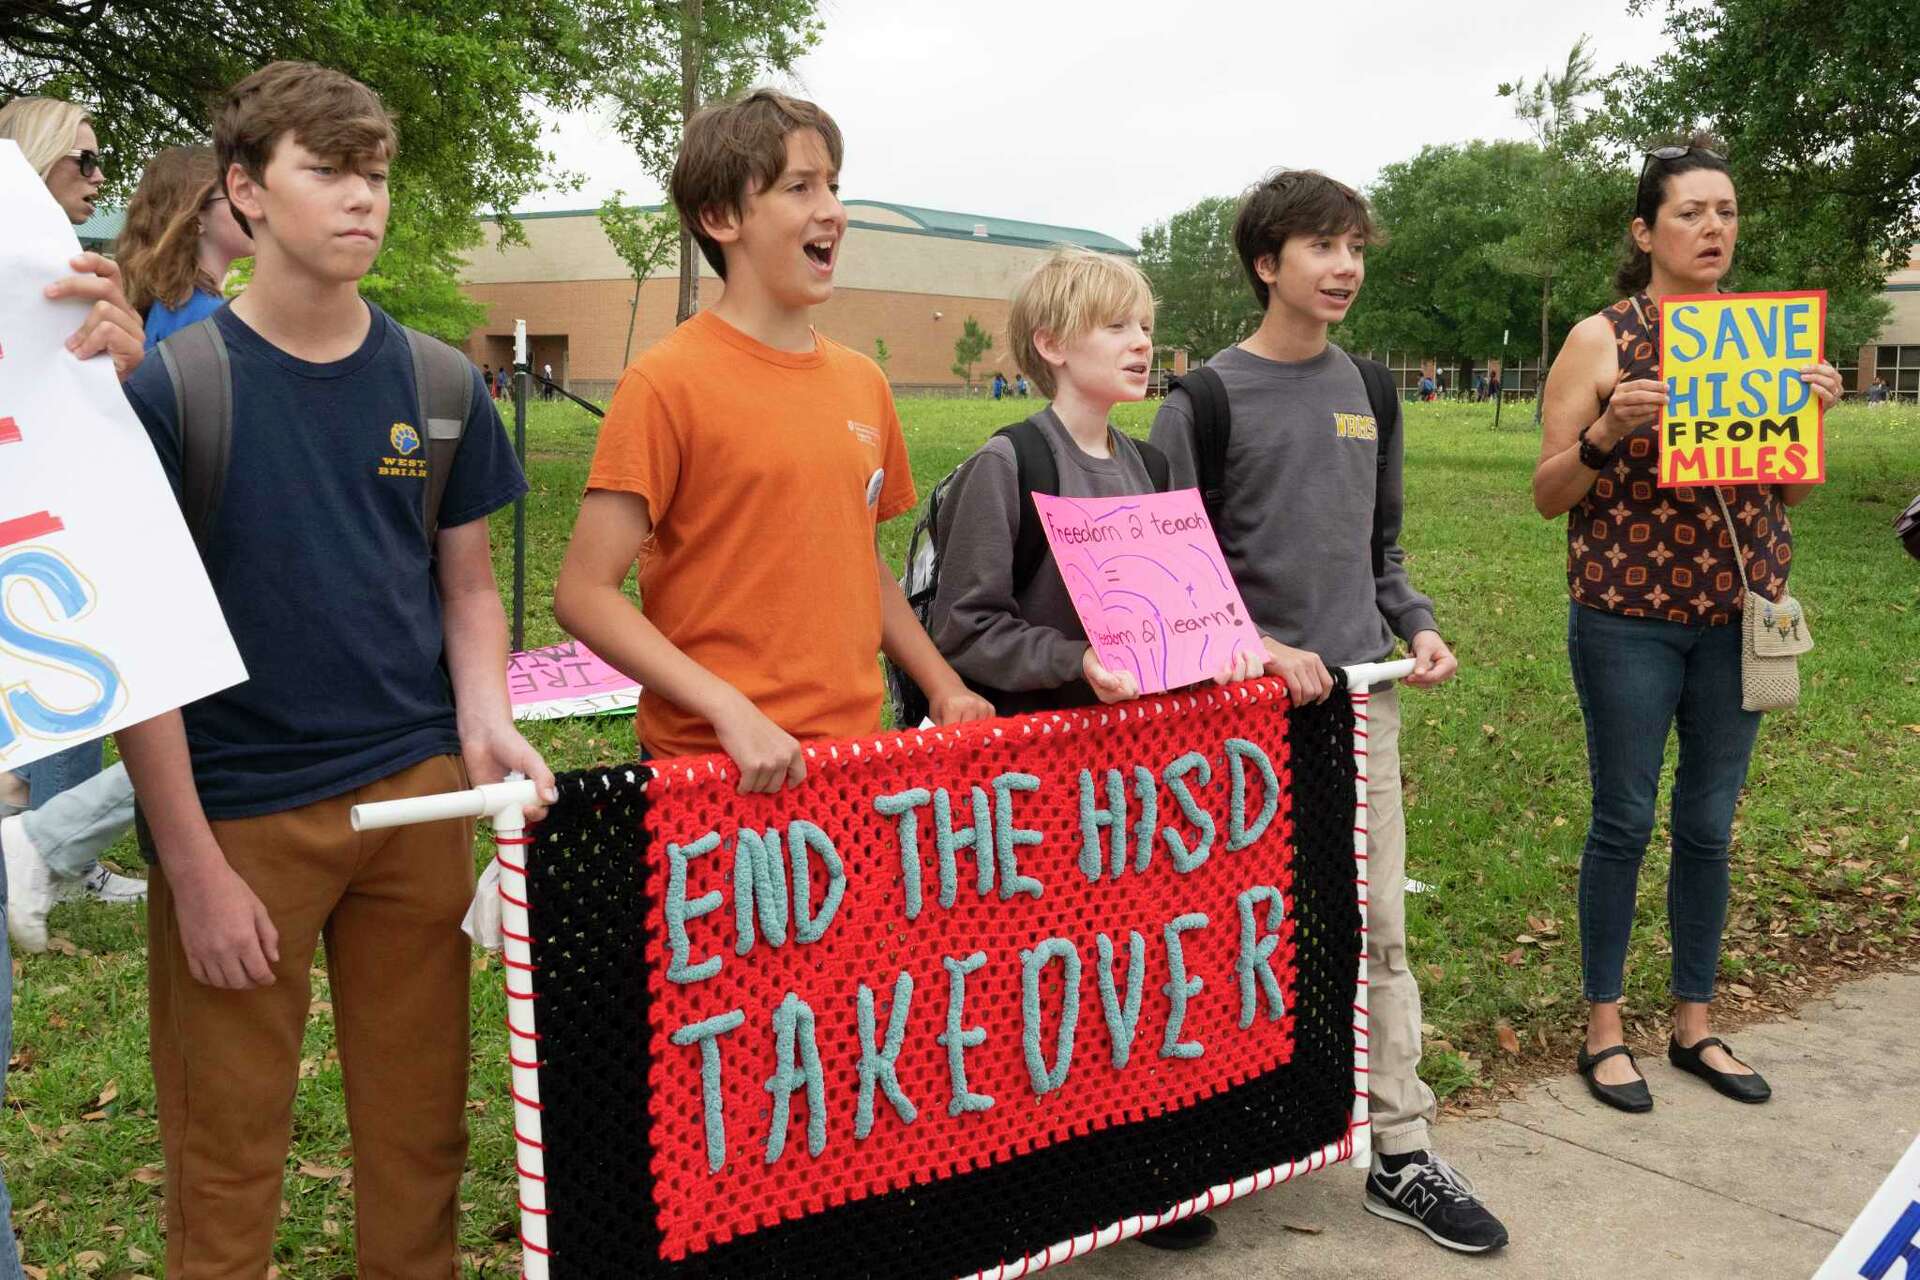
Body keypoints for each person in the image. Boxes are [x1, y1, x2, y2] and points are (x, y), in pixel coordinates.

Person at [115, 62, 553, 1275]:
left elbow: (466, 588)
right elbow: (137, 643)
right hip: (239, 810)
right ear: (245, 192)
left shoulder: (441, 383)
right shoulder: (173, 390)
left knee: (421, 1140)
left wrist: (485, 723)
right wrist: (191, 863)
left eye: (377, 173)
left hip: (418, 795)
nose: (363, 198)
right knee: (227, 1149)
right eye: (328, 170)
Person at [1151, 169, 1508, 1256]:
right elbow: (1166, 574)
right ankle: (1192, 1151)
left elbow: (1380, 549)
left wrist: (1418, 619)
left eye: (1356, 246)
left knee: (1377, 932)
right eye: (1322, 247)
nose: (1345, 266)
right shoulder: (1201, 400)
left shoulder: (1374, 388)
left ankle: (1401, 1151)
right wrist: (1251, 649)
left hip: (1359, 707)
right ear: (1269, 264)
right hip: (1231, 720)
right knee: (1218, 933)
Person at [553, 88, 991, 792]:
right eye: (800, 187)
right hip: (714, 771)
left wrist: (941, 684)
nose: (833, 212)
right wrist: (728, 709)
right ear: (721, 217)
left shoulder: (864, 383)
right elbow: (583, 593)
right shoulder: (667, 382)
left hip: (851, 765)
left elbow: (859, 559)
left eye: (834, 187)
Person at [1531, 139, 1842, 1115]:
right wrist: (1607, 429)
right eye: (1691, 212)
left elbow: (1781, 488)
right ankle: (1603, 1025)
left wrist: (1810, 414)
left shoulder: (1766, 338)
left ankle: (1696, 1022)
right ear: (1645, 230)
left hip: (1735, 618)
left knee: (1708, 824)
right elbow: (1549, 492)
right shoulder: (1600, 338)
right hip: (1626, 616)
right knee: (1625, 818)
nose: (1714, 228)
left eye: (1727, 211)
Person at [0, 91, 151, 1280]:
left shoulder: (83, 325)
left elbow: (108, 535)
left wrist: (119, 394)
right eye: (82, 160)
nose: (99, 180)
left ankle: (43, 844)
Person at [119, 144, 254, 348]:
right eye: (237, 196)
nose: (253, 208)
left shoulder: (168, 306)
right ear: (196, 218)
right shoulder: (209, 320)